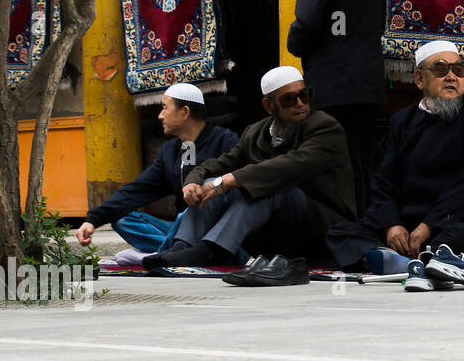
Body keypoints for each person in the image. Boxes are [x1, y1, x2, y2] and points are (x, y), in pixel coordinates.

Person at [141, 66, 357, 276]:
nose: (300, 104)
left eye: (304, 95)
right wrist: (193, 181)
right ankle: (182, 246)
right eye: (289, 99)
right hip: (273, 233)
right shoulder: (255, 132)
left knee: (265, 187)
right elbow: (221, 163)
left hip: (322, 229)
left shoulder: (325, 127)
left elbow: (291, 165)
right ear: (269, 105)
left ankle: (212, 251)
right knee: (214, 181)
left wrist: (230, 180)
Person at [325, 40, 464, 273]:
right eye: (441, 69)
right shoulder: (402, 121)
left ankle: (404, 260)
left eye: (458, 70)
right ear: (420, 79)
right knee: (340, 233)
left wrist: (430, 225)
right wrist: (392, 225)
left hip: (461, 219)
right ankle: (415, 260)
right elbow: (385, 181)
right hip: (411, 224)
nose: (452, 77)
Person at [286, 0, 386, 211]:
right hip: (369, 83)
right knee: (365, 161)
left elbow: (307, 22)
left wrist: (294, 42)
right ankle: (370, 229)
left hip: (334, 85)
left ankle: (346, 233)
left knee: (338, 163)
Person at [77, 83, 238, 254]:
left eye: (164, 108)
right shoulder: (170, 151)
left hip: (218, 230)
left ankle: (177, 252)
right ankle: (181, 251)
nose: (160, 116)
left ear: (184, 112)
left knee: (193, 206)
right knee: (123, 219)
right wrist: (93, 220)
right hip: (180, 228)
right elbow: (137, 190)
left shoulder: (226, 141)